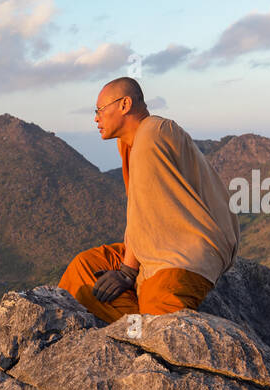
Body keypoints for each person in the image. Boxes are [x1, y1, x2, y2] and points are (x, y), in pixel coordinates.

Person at [57, 77, 239, 323]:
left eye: (99, 110)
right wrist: (127, 268)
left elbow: (144, 211)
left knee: (158, 324)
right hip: (156, 245)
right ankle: (135, 326)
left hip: (183, 255)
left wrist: (127, 272)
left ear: (125, 105)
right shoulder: (130, 143)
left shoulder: (152, 133)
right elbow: (140, 210)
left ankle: (145, 330)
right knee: (84, 268)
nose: (96, 118)